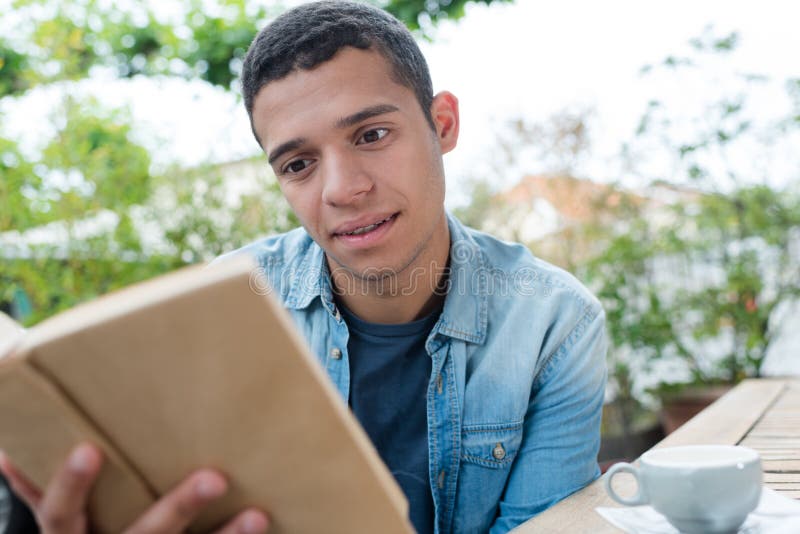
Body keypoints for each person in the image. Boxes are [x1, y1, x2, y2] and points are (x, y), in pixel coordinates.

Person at [0, 1, 607, 533]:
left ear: (441, 124)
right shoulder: (222, 310)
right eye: (298, 165)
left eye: (371, 134)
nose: (342, 189)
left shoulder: (554, 324)